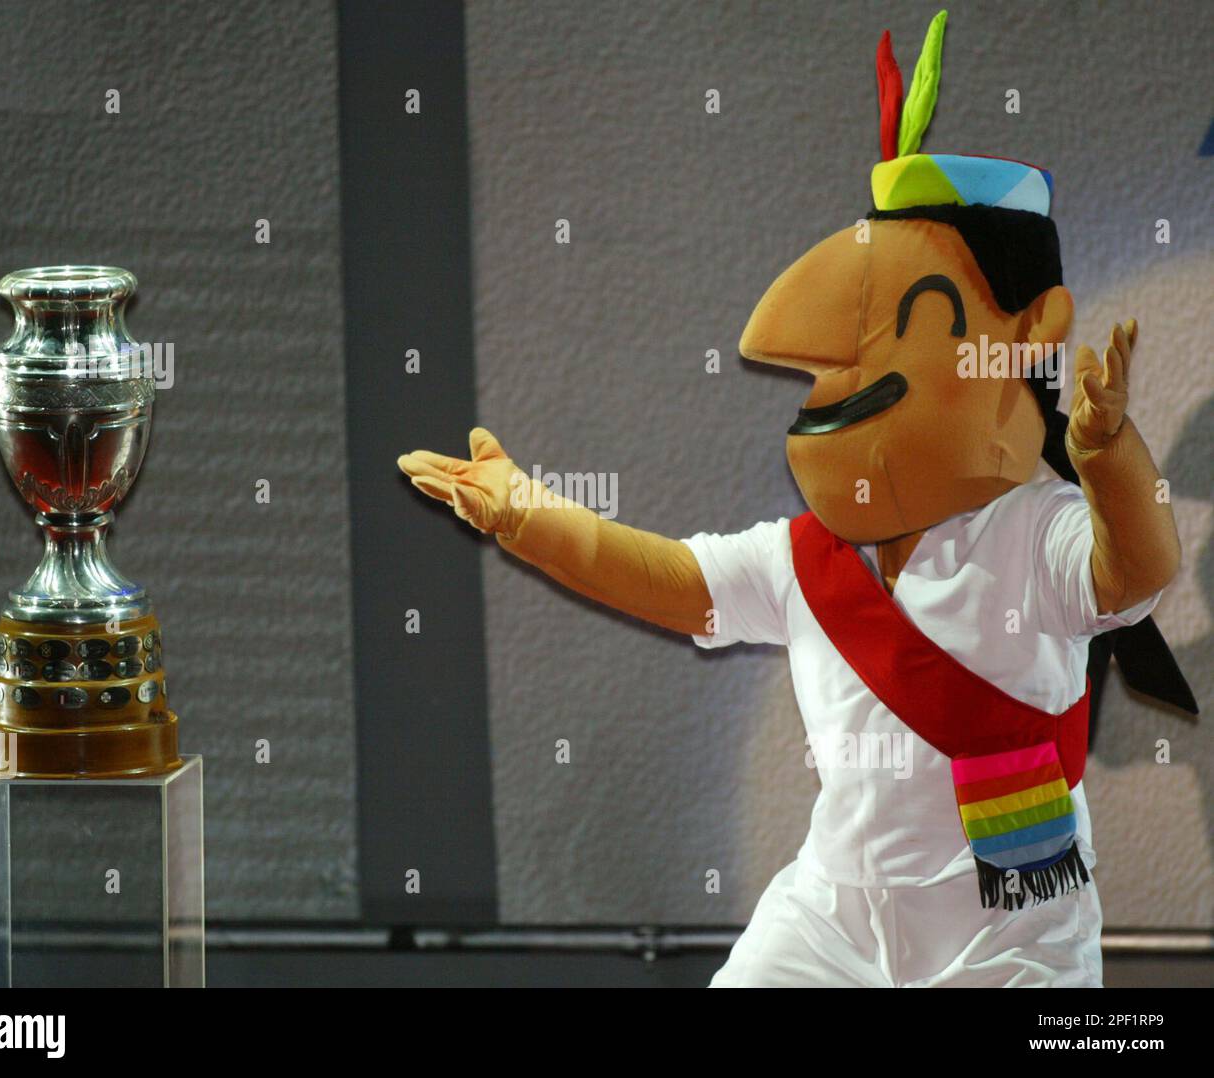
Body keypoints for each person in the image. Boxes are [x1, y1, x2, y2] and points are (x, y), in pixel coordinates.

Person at [396, 10, 1194, 987]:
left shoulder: (1034, 532)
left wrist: (1108, 452)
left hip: (1010, 931)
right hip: (834, 917)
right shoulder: (808, 560)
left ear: (1020, 339)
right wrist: (525, 513)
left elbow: (1134, 569)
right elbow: (666, 574)